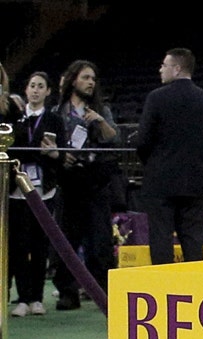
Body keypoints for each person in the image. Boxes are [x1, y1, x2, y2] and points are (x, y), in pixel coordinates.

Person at [136, 48, 203, 265]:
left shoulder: (156, 98)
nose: (160, 69)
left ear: (176, 68)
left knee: (161, 238)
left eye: (164, 65)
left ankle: (163, 289)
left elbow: (143, 141)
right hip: (194, 181)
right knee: (194, 239)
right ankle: (195, 288)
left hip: (160, 180)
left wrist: (154, 163)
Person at [53, 59, 119, 309]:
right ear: (73, 80)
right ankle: (67, 291)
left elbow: (115, 138)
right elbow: (48, 144)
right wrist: (61, 156)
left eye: (93, 78)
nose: (91, 82)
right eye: (86, 78)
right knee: (67, 239)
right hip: (69, 183)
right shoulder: (57, 112)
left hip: (96, 183)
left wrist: (100, 122)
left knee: (100, 241)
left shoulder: (102, 109)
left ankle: (104, 292)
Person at [8, 72, 65, 317]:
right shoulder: (15, 118)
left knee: (40, 245)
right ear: (26, 90)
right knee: (19, 245)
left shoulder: (54, 120)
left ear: (48, 92)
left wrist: (54, 154)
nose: (35, 90)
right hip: (17, 191)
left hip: (45, 191)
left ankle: (37, 298)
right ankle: (22, 297)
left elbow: (61, 154)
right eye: (32, 86)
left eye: (41, 86)